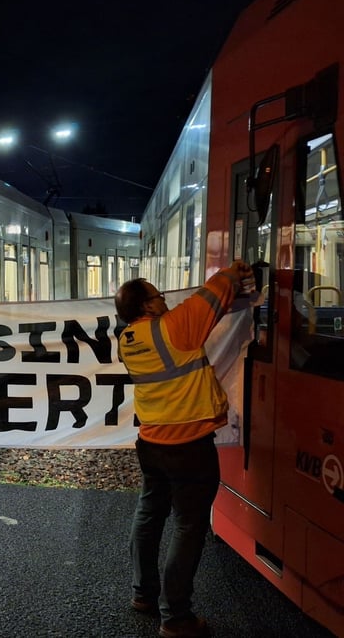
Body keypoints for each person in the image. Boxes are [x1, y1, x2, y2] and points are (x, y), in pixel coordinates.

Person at [114, 260, 254, 638]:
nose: (164, 299)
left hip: (152, 444)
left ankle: (142, 593)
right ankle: (176, 617)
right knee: (188, 525)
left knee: (149, 513)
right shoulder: (175, 328)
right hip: (188, 446)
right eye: (158, 296)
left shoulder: (126, 340)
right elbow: (212, 293)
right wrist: (237, 269)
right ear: (147, 307)